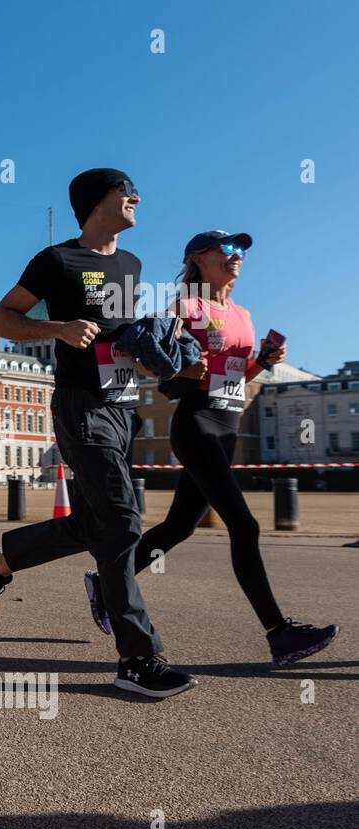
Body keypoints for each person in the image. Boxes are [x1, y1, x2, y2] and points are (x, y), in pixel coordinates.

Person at [0, 167, 197, 699]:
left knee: (98, 523)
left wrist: (159, 341)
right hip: (80, 407)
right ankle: (137, 658)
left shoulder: (131, 265)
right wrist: (57, 329)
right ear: (99, 201)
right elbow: (1, 320)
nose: (137, 197)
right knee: (121, 519)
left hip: (121, 407)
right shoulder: (56, 260)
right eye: (127, 191)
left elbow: (120, 337)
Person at [83, 230, 336, 666]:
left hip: (227, 424)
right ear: (199, 258)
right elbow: (155, 367)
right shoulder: (185, 307)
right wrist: (185, 366)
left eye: (240, 251)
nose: (237, 257)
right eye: (228, 249)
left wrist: (264, 362)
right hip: (196, 424)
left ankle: (106, 583)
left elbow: (235, 381)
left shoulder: (243, 313)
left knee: (180, 526)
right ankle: (279, 634)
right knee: (246, 526)